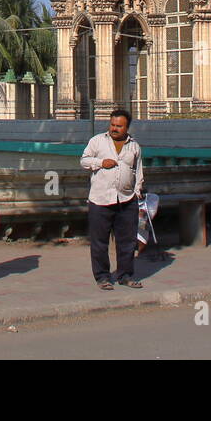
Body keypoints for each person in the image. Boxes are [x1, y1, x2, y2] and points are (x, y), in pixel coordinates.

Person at [81, 108, 145, 290]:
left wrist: (137, 191)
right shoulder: (97, 142)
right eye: (112, 125)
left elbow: (138, 171)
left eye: (119, 126)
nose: (115, 129)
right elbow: (84, 161)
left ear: (127, 127)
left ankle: (125, 275)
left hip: (126, 199)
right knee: (99, 241)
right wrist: (100, 163)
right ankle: (102, 277)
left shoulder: (134, 146)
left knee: (127, 241)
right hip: (100, 200)